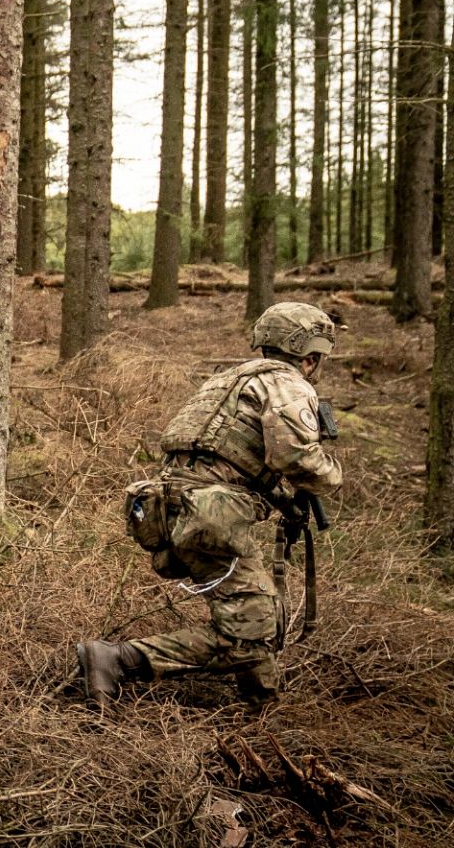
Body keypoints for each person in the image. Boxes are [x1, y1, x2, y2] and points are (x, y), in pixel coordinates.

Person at [78, 301, 343, 707]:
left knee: (254, 612)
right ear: (310, 355)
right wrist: (331, 475)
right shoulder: (289, 385)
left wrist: (282, 501)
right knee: (251, 637)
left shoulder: (229, 380)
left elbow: (222, 456)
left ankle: (262, 706)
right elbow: (294, 458)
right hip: (208, 514)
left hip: (171, 507)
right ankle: (120, 658)